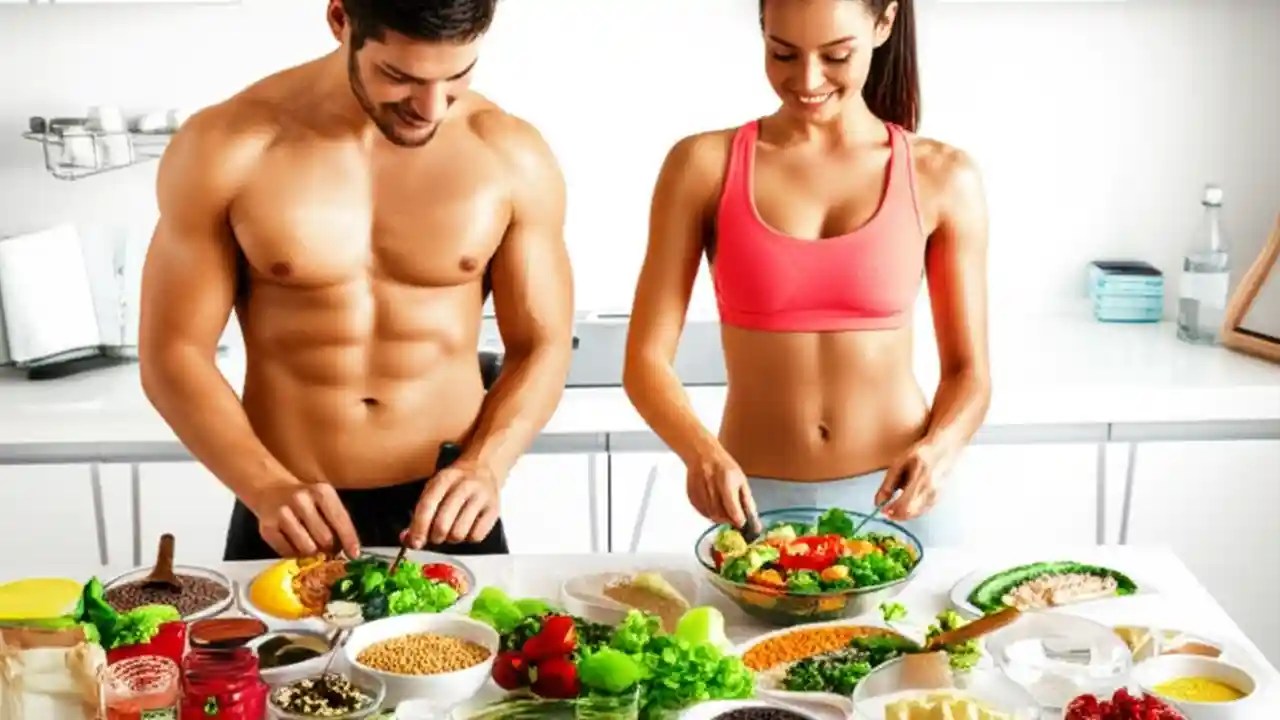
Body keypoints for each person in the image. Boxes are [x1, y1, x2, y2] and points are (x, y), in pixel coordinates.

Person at [138, 0, 574, 561]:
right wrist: (263, 485)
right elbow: (173, 352)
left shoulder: (509, 154)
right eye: (400, 76)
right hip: (289, 508)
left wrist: (488, 463)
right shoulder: (227, 145)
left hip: (448, 509)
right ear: (341, 21)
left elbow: (542, 343)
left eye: (457, 76)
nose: (430, 106)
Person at [622, 0, 990, 546]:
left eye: (837, 55)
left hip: (897, 509)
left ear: (884, 23)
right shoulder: (702, 165)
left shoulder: (942, 175)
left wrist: (940, 448)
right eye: (783, 53)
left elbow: (969, 373)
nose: (808, 79)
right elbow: (645, 362)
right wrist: (700, 453)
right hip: (755, 506)